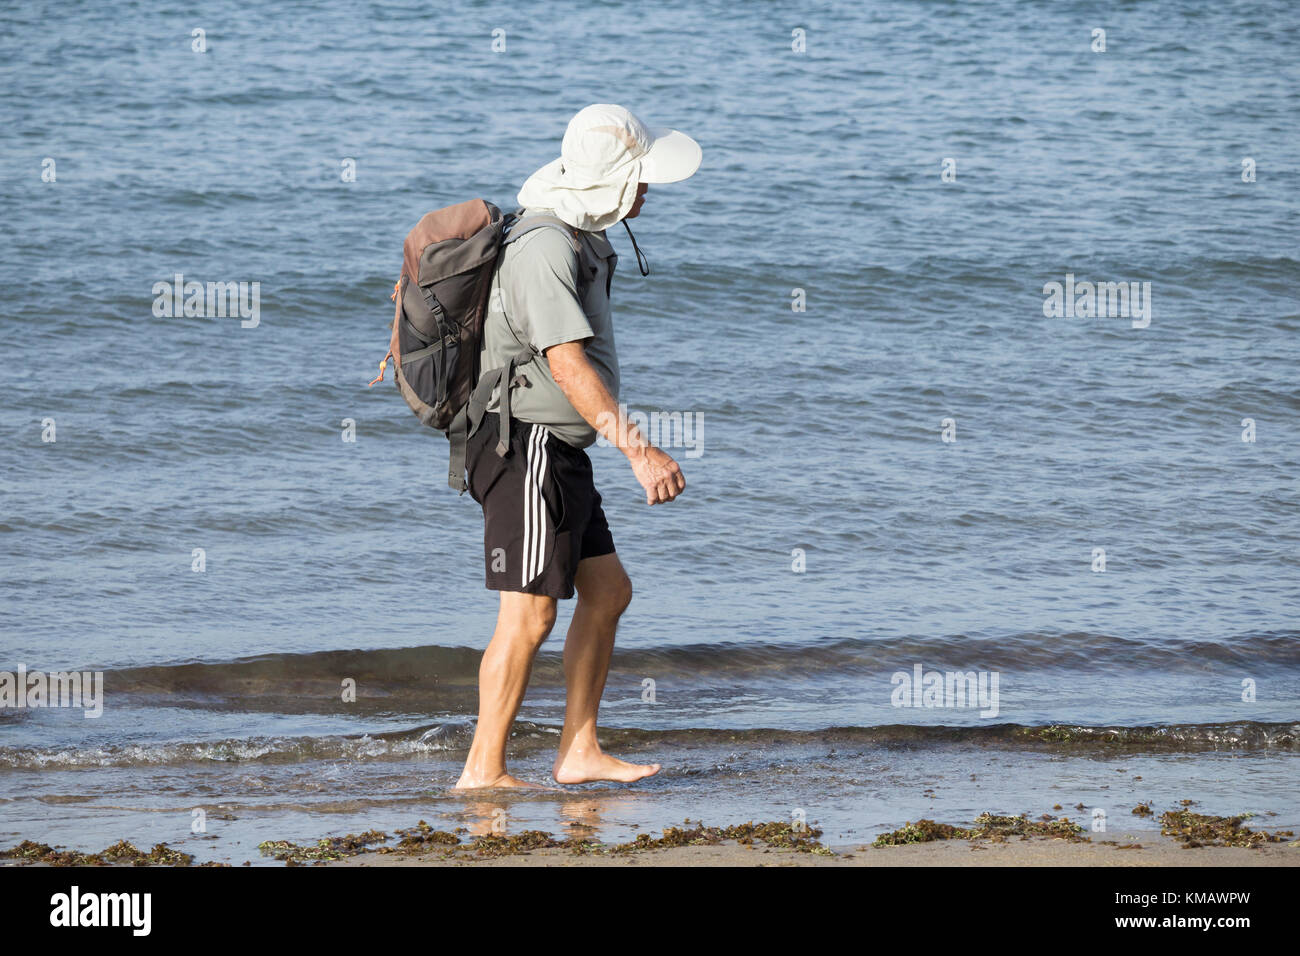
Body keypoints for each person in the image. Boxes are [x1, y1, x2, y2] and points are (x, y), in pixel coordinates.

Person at [454, 104, 701, 789]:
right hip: (520, 444)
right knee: (529, 611)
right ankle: (482, 771)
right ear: (613, 180)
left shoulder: (583, 237)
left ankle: (578, 751)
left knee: (608, 591)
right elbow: (566, 363)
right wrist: (639, 450)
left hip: (557, 447)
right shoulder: (545, 247)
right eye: (641, 176)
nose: (649, 188)